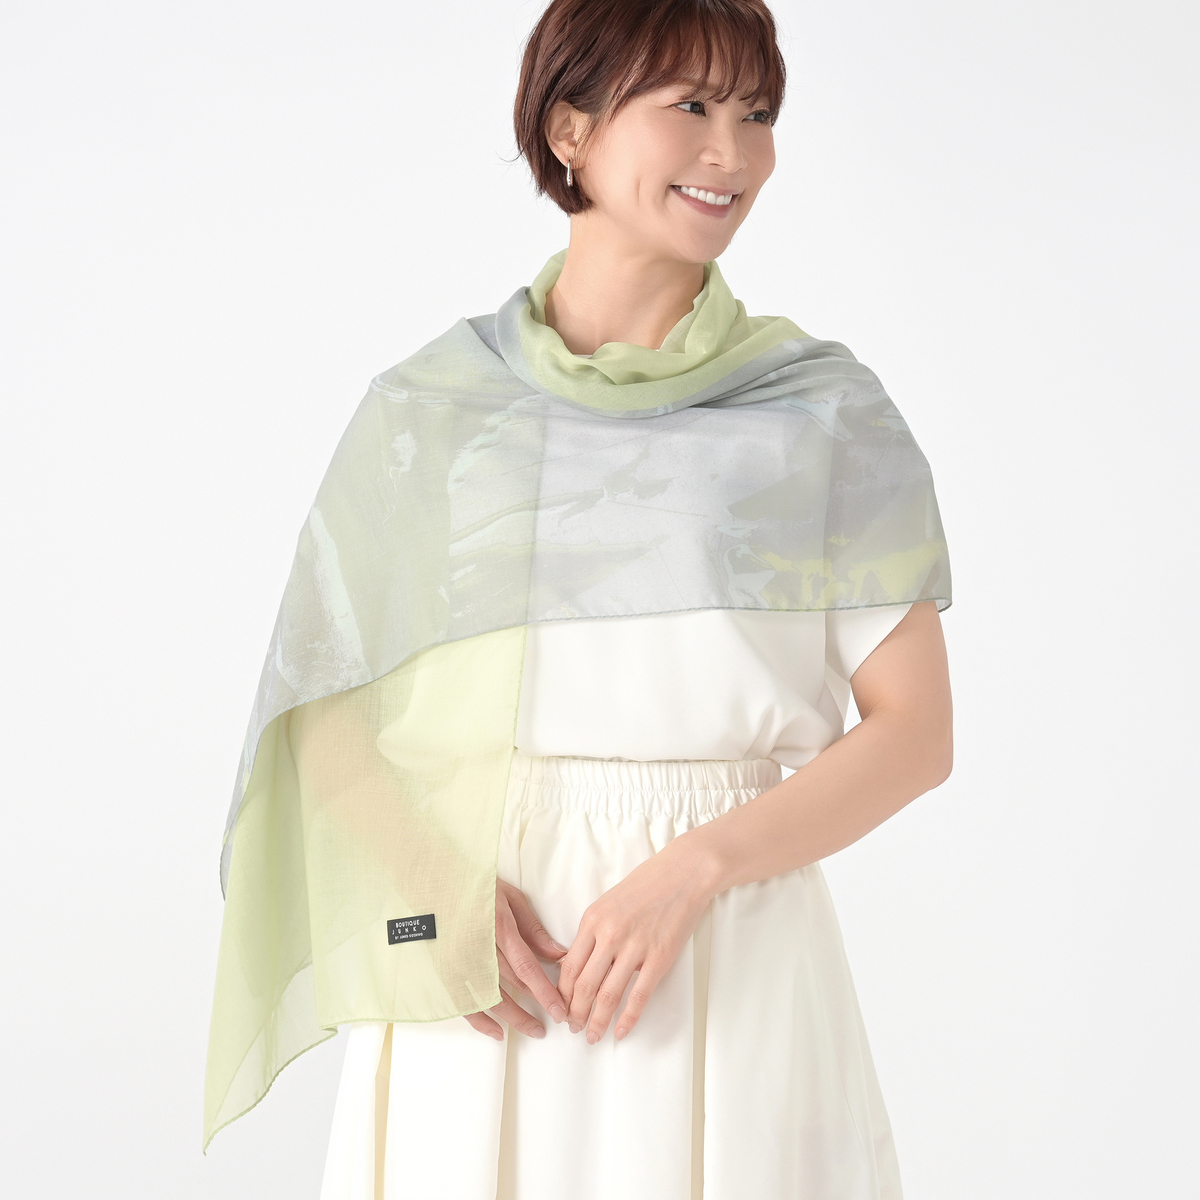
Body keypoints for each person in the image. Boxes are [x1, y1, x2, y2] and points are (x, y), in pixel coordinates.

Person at [205, 2, 953, 1197]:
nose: (733, 152)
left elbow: (915, 734)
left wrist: (695, 866)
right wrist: (431, 888)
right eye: (691, 105)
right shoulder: (438, 413)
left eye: (758, 113)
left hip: (728, 940)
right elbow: (328, 710)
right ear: (570, 129)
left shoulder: (818, 414)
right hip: (487, 959)